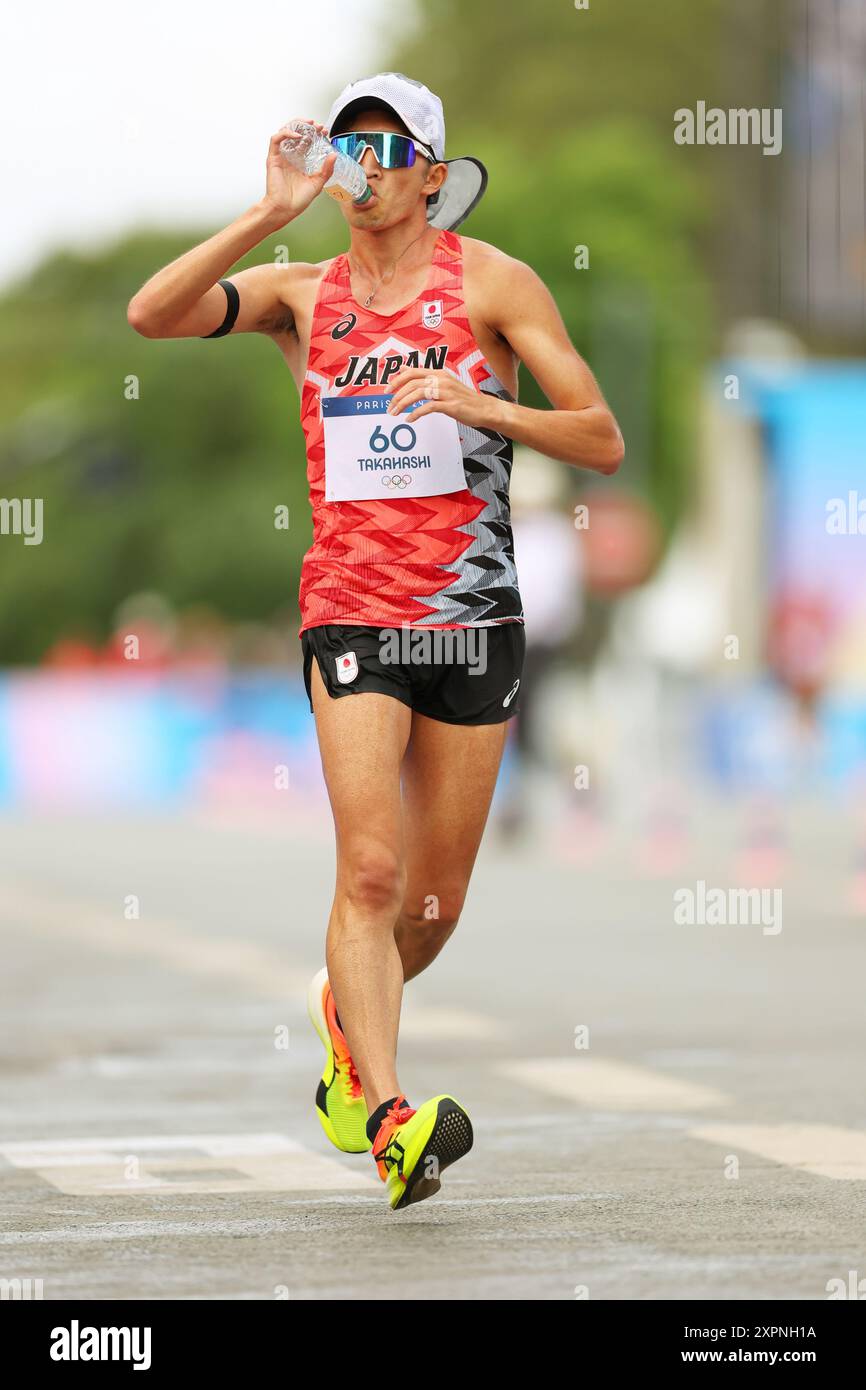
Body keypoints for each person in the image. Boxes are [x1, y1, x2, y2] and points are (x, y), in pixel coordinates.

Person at [127, 72, 623, 1210]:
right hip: (349, 609)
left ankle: (343, 1025)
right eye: (350, 147)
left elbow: (598, 438)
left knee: (429, 911)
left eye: (387, 149)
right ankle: (391, 1117)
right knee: (369, 867)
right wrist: (266, 213)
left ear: (433, 176)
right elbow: (151, 314)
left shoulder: (494, 283)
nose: (364, 166)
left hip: (470, 620)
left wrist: (486, 406)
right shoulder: (301, 290)